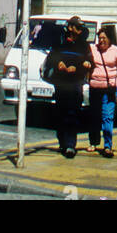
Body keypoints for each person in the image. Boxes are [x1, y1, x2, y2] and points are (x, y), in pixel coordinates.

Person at [41, 16, 91, 158]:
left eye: (81, 28)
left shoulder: (84, 45)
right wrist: (59, 64)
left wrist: (82, 67)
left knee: (73, 114)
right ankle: (63, 142)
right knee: (61, 114)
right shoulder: (59, 42)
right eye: (78, 27)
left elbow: (89, 62)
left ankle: (70, 145)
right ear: (70, 28)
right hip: (61, 84)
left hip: (75, 84)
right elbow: (50, 59)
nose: (80, 31)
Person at [87, 27, 117, 157]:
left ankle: (108, 145)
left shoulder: (116, 51)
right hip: (95, 88)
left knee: (107, 117)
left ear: (109, 39)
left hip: (109, 89)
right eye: (100, 38)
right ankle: (93, 142)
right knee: (94, 116)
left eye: (104, 38)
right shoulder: (93, 49)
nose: (101, 41)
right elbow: (87, 62)